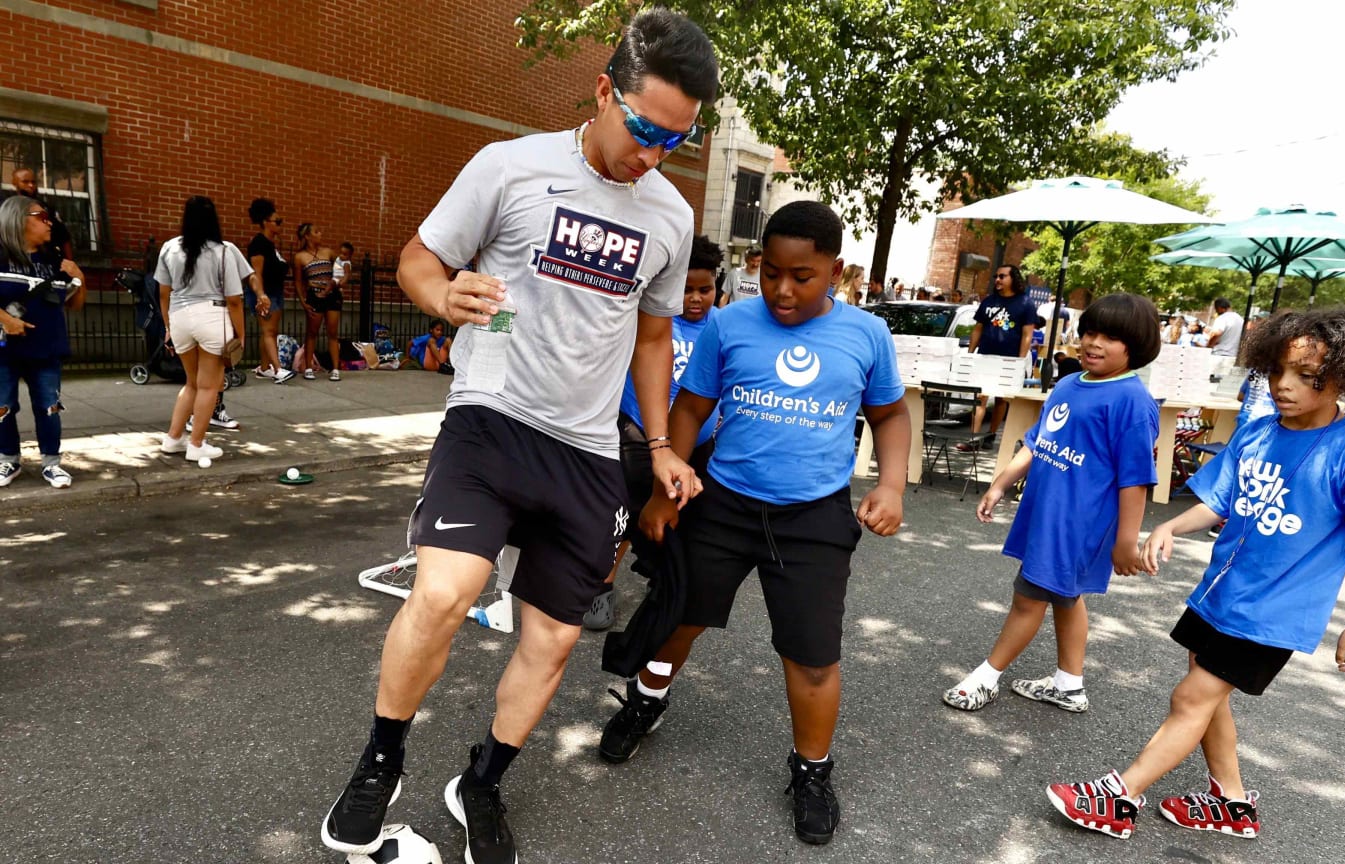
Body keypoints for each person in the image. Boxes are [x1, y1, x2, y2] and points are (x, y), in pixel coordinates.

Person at [320, 11, 716, 864]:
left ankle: (482, 784)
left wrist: (658, 446)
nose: (652, 155)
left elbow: (652, 337)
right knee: (444, 592)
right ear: (604, 90)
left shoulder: (670, 217)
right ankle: (380, 760)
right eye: (645, 130)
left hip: (585, 450)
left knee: (556, 638)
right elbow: (418, 258)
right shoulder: (509, 166)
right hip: (492, 418)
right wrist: (441, 296)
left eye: (674, 142)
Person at [596, 201, 909, 845]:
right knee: (677, 620)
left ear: (836, 271)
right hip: (725, 504)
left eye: (803, 276)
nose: (784, 291)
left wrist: (893, 484)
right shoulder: (730, 324)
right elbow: (689, 408)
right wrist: (665, 486)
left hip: (814, 515)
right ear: (756, 265)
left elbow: (890, 417)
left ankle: (812, 770)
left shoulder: (866, 335)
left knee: (813, 656)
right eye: (771, 274)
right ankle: (647, 701)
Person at [1046, 308, 1345, 842]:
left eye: (1308, 376)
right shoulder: (1256, 431)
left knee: (1191, 698)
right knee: (1208, 699)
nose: (1284, 385)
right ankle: (1231, 803)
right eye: (1278, 370)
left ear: (1344, 379)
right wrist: (1170, 529)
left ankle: (1121, 797)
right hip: (1220, 593)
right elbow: (1220, 502)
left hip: (1273, 611)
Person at [942, 293, 1160, 715]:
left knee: (1029, 597)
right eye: (1091, 332)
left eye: (1110, 338)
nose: (1094, 343)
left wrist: (1126, 541)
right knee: (1066, 595)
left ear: (1134, 346)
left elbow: (1136, 480)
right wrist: (1001, 482)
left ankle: (985, 678)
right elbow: (1040, 441)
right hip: (1046, 513)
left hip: (1078, 524)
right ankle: (1070, 685)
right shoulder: (1068, 383)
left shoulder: (1132, 402)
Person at [585, 234, 724, 631]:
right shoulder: (650, 319)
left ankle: (663, 579)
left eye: (705, 289)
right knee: (626, 511)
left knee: (684, 511)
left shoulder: (722, 327)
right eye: (686, 290)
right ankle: (601, 584)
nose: (695, 298)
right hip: (640, 432)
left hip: (698, 442)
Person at [154, 196, 249, 465]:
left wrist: (167, 326)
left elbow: (163, 292)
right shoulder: (223, 251)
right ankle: (196, 444)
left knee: (191, 382)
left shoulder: (169, 248)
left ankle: (173, 438)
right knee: (210, 386)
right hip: (212, 315)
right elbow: (234, 299)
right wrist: (240, 334)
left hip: (179, 316)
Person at [0, 195, 86, 488]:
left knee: (49, 406)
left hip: (47, 350)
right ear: (18, 219)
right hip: (5, 351)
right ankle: (8, 460)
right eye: (41, 216)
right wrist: (5, 320)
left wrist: (79, 278)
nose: (49, 222)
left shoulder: (54, 261)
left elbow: (74, 305)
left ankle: (52, 462)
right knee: (2, 406)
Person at [960, 265, 1036, 450]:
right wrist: (970, 353)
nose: (998, 280)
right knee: (981, 397)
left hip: (1009, 359)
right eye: (996, 276)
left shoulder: (1025, 303)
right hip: (985, 356)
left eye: (1002, 276)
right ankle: (973, 437)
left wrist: (1019, 360)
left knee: (1001, 399)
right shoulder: (989, 301)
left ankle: (990, 434)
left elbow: (1027, 334)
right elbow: (978, 328)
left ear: (1013, 279)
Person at [245, 198, 295, 383]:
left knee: (270, 330)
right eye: (278, 221)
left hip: (275, 291)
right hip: (266, 293)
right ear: (266, 222)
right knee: (269, 331)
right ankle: (278, 369)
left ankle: (265, 367)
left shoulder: (270, 245)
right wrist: (261, 295)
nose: (280, 225)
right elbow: (256, 273)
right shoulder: (259, 244)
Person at [295, 223, 343, 381]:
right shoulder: (300, 257)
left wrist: (338, 282)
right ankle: (308, 366)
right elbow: (298, 282)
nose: (320, 234)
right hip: (314, 296)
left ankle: (335, 368)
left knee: (332, 332)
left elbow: (342, 267)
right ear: (307, 236)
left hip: (331, 295)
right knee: (312, 333)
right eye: (317, 231)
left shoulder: (328, 252)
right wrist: (303, 301)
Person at [8, 168, 72, 265]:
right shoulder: (6, 207)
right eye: (25, 182)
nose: (31, 185)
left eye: (33, 182)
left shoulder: (45, 208)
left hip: (46, 261)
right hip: (13, 260)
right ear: (14, 183)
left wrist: (70, 263)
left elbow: (63, 237)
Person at [1204, 297, 1243, 376]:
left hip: (1219, 355)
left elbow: (1217, 333)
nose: (1216, 312)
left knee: (1213, 383)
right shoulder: (1240, 319)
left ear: (1220, 308)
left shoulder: (1222, 318)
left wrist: (1209, 345)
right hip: (1233, 355)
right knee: (1224, 385)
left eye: (1216, 309)